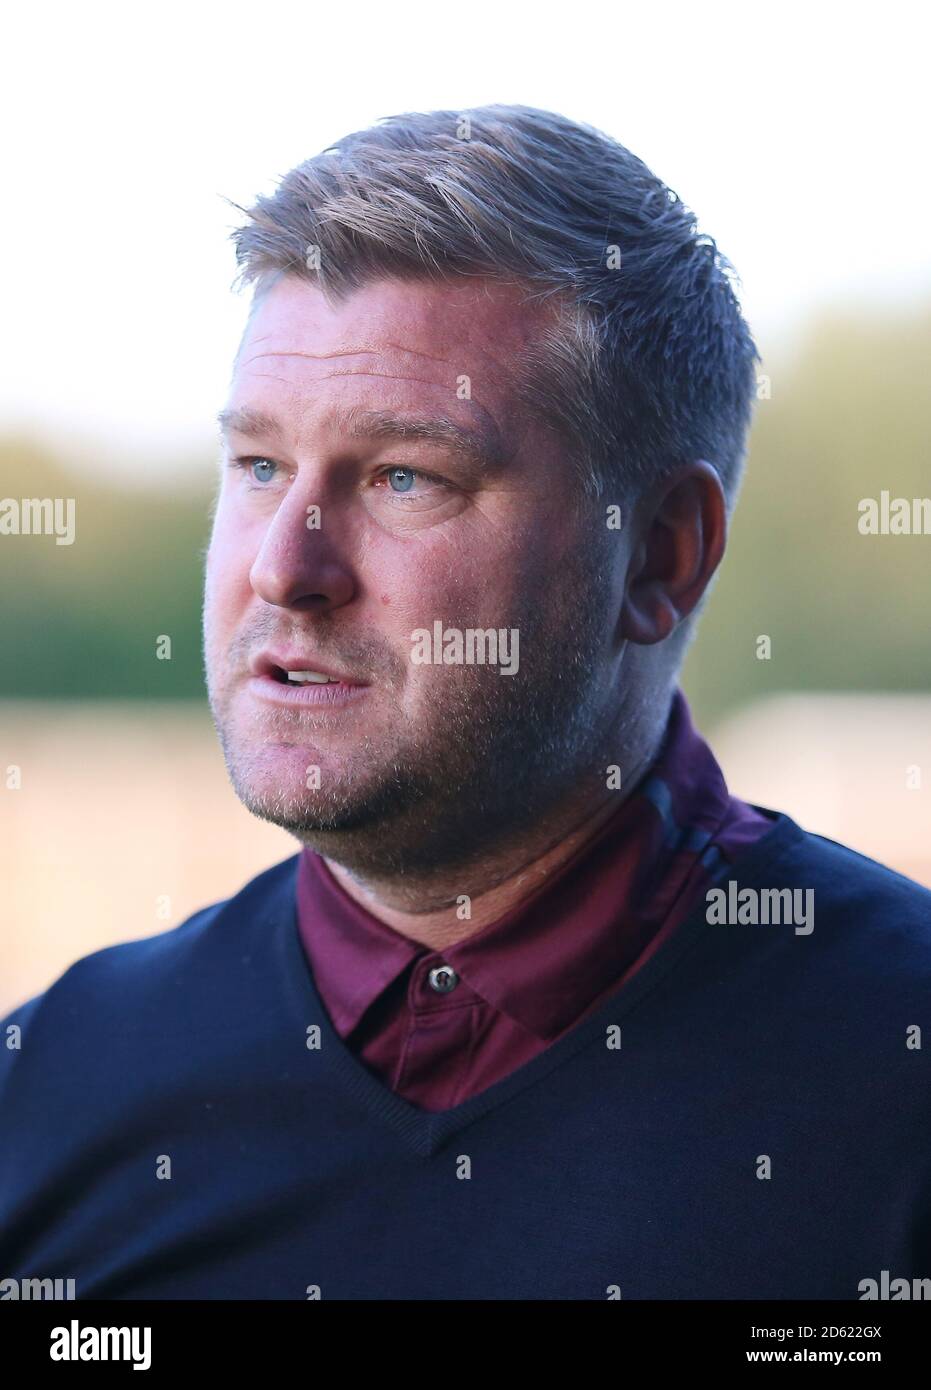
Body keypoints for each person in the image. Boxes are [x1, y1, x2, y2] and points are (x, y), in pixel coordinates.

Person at [2, 104, 929, 1301]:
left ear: (657, 556)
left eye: (403, 476)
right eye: (261, 466)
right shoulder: (46, 1092)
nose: (286, 567)